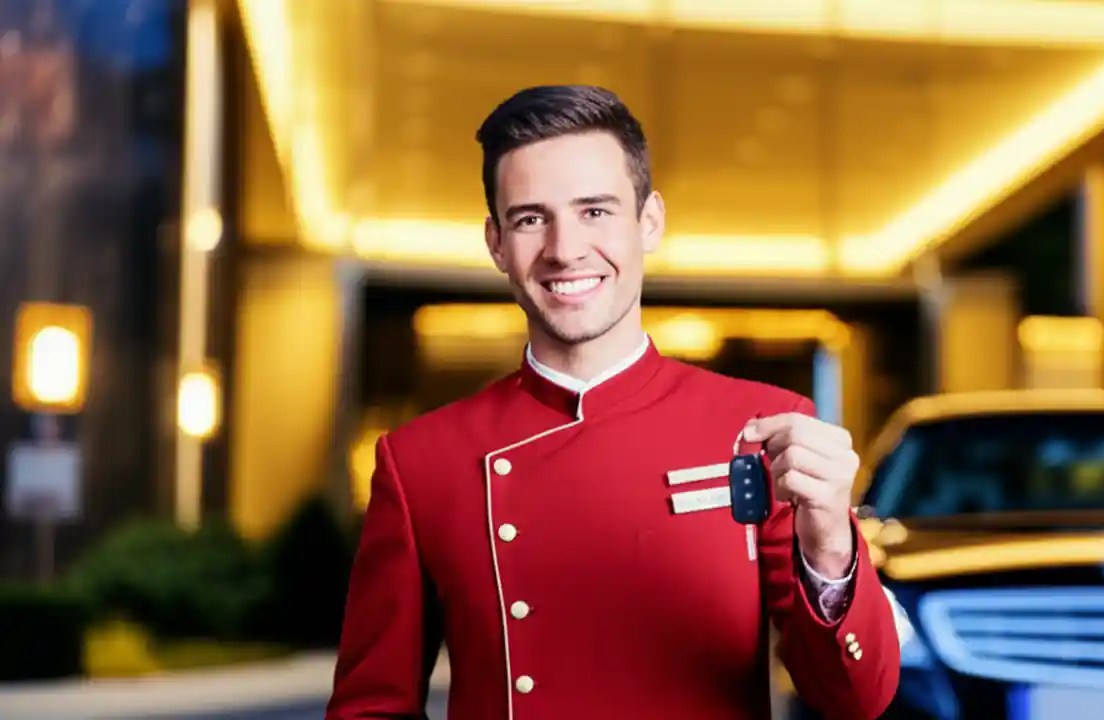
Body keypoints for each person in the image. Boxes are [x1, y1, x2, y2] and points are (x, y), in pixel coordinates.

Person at [326, 85, 900, 720]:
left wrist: (831, 550)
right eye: (529, 218)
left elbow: (856, 700)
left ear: (649, 221)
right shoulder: (421, 462)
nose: (565, 248)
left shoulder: (761, 430)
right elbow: (370, 709)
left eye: (595, 211)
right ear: (495, 243)